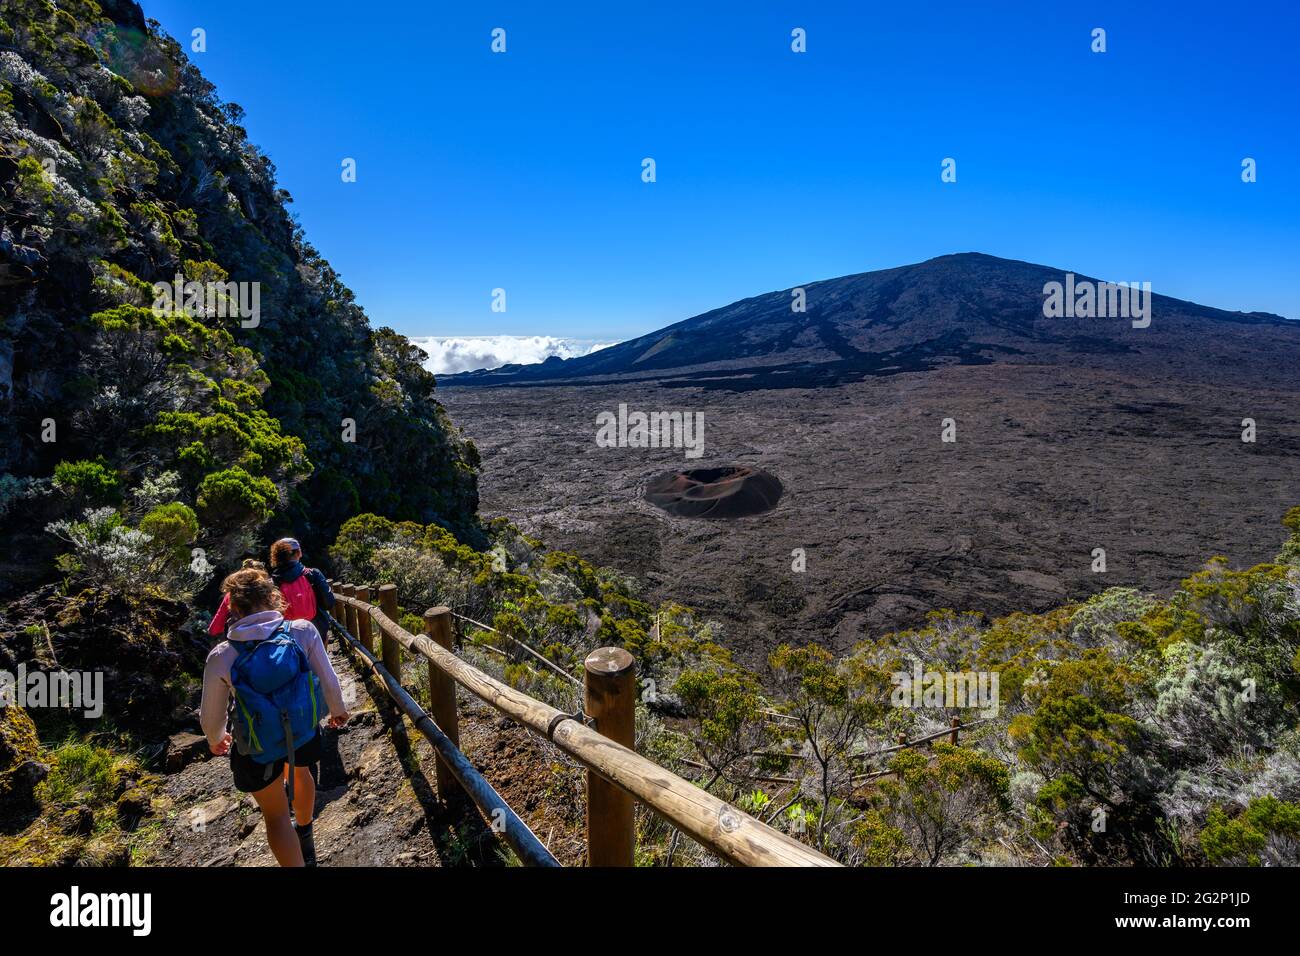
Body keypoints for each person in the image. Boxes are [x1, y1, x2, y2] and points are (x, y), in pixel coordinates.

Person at [201, 567, 349, 867]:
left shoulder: (222, 656)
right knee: (302, 772)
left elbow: (210, 716)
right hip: (303, 732)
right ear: (273, 596)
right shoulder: (302, 631)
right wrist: (338, 712)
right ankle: (306, 835)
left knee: (276, 815)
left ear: (232, 607)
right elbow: (330, 681)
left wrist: (216, 739)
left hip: (257, 748)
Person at [269, 537, 335, 642]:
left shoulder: (272, 584)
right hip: (316, 630)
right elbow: (329, 603)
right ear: (299, 553)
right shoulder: (312, 574)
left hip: (287, 636)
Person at [207, 558, 267, 637]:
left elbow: (215, 627)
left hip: (240, 639)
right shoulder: (270, 592)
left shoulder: (232, 594)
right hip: (268, 636)